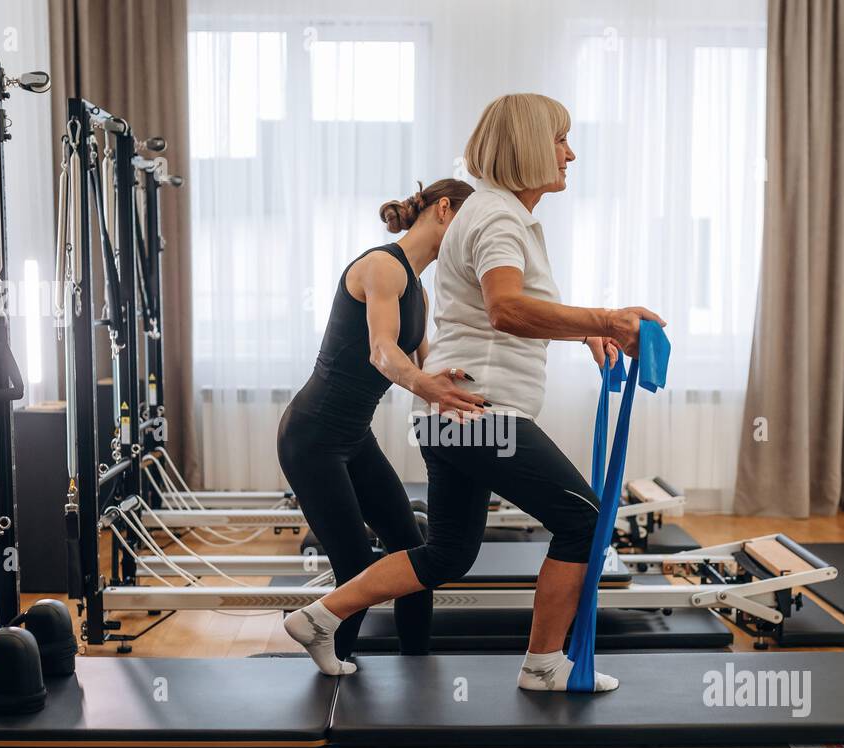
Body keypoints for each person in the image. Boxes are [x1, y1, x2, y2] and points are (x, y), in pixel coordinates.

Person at [285, 94, 662, 691]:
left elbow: (495, 320)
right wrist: (609, 319)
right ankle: (543, 666)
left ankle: (319, 616)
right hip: (483, 416)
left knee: (447, 554)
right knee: (584, 521)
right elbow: (507, 309)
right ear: (529, 147)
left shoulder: (493, 214)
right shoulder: (498, 216)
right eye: (560, 139)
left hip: (453, 415)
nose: (571, 153)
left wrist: (590, 327)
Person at [277, 178, 479, 670]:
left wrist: (456, 383)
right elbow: (383, 352)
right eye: (471, 227)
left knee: (413, 557)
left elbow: (424, 363)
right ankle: (333, 670)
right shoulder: (381, 267)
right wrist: (428, 388)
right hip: (312, 437)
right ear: (444, 211)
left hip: (353, 437)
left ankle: (417, 667)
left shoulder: (420, 291)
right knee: (354, 564)